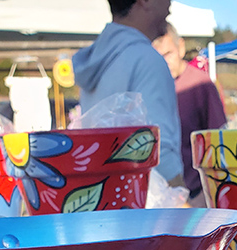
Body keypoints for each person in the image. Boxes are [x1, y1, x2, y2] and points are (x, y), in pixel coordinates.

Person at [73, 0, 184, 187]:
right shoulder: (146, 60)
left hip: (105, 202)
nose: (170, 5)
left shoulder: (98, 61)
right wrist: (184, 203)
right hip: (148, 208)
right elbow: (157, 149)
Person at [153, 23, 226, 205]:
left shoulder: (201, 85)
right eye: (157, 57)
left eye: (168, 54)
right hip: (160, 194)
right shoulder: (153, 86)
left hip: (196, 195)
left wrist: (206, 194)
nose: (164, 62)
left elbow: (219, 141)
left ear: (181, 48)